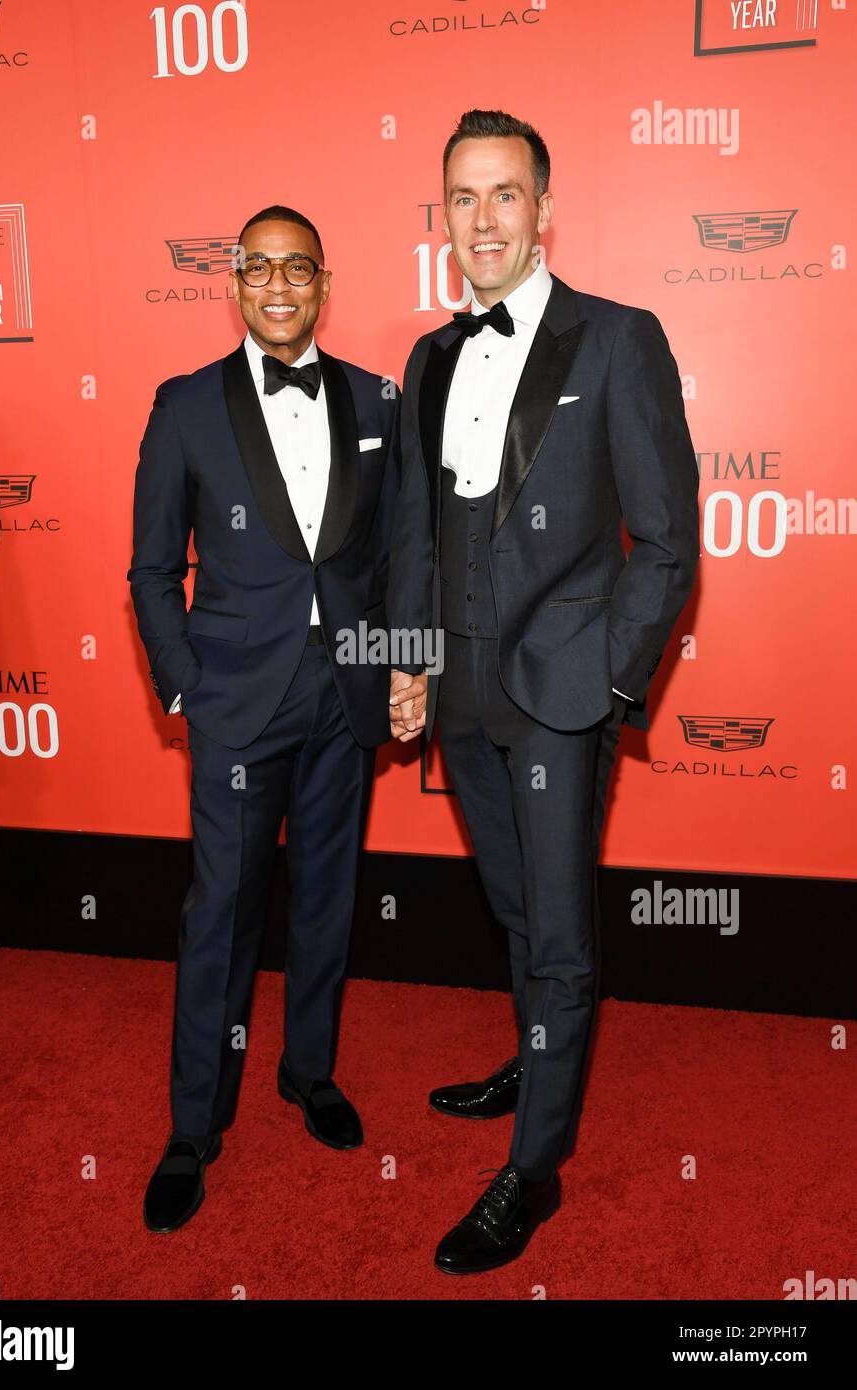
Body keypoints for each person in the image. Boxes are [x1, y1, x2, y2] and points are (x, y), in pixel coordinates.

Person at [386, 110, 699, 1274]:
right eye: (461, 199)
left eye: (503, 195)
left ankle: (534, 1167)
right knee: (515, 908)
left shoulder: (618, 339)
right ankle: (535, 1056)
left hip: (559, 691)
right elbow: (417, 529)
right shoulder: (428, 357)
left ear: (543, 208)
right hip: (460, 692)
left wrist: (607, 679)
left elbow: (668, 541)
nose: (481, 221)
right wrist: (409, 662)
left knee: (560, 935)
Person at [128, 206, 400, 1233]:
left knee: (327, 898)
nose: (278, 284)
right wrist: (189, 685)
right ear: (234, 282)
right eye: (259, 268)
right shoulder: (186, 406)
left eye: (298, 268)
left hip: (342, 699)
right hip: (237, 703)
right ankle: (194, 1125)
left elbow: (387, 560)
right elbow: (152, 569)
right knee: (223, 914)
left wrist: (391, 665)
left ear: (323, 283)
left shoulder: (376, 399)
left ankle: (307, 1070)